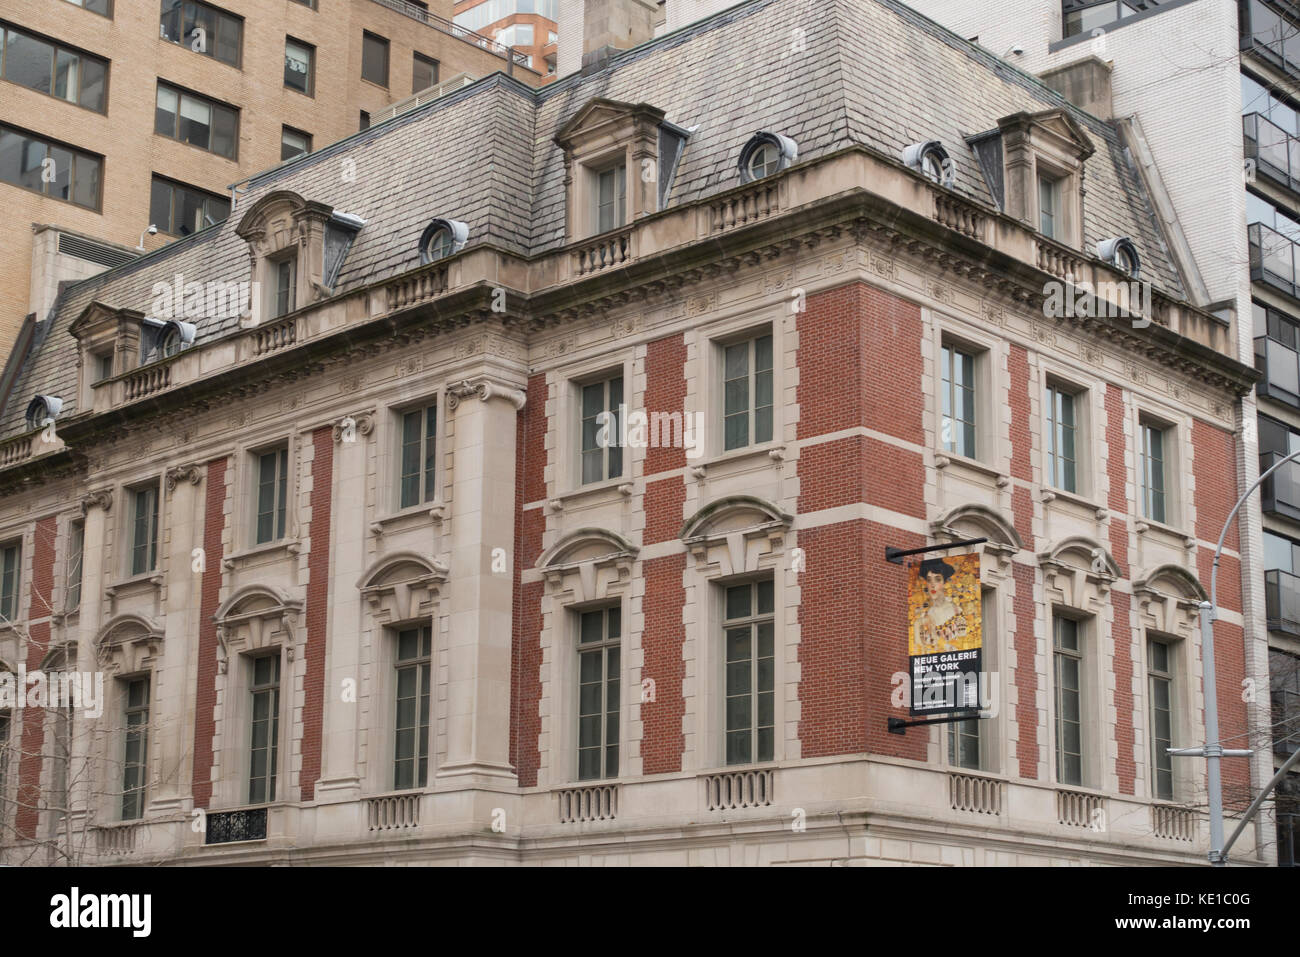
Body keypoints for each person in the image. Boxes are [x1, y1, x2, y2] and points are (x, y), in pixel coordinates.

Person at [912, 557, 968, 654]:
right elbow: (918, 651)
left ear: (944, 582)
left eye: (937, 579)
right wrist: (917, 624)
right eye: (929, 580)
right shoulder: (923, 617)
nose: (932, 585)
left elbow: (964, 647)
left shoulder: (956, 611)